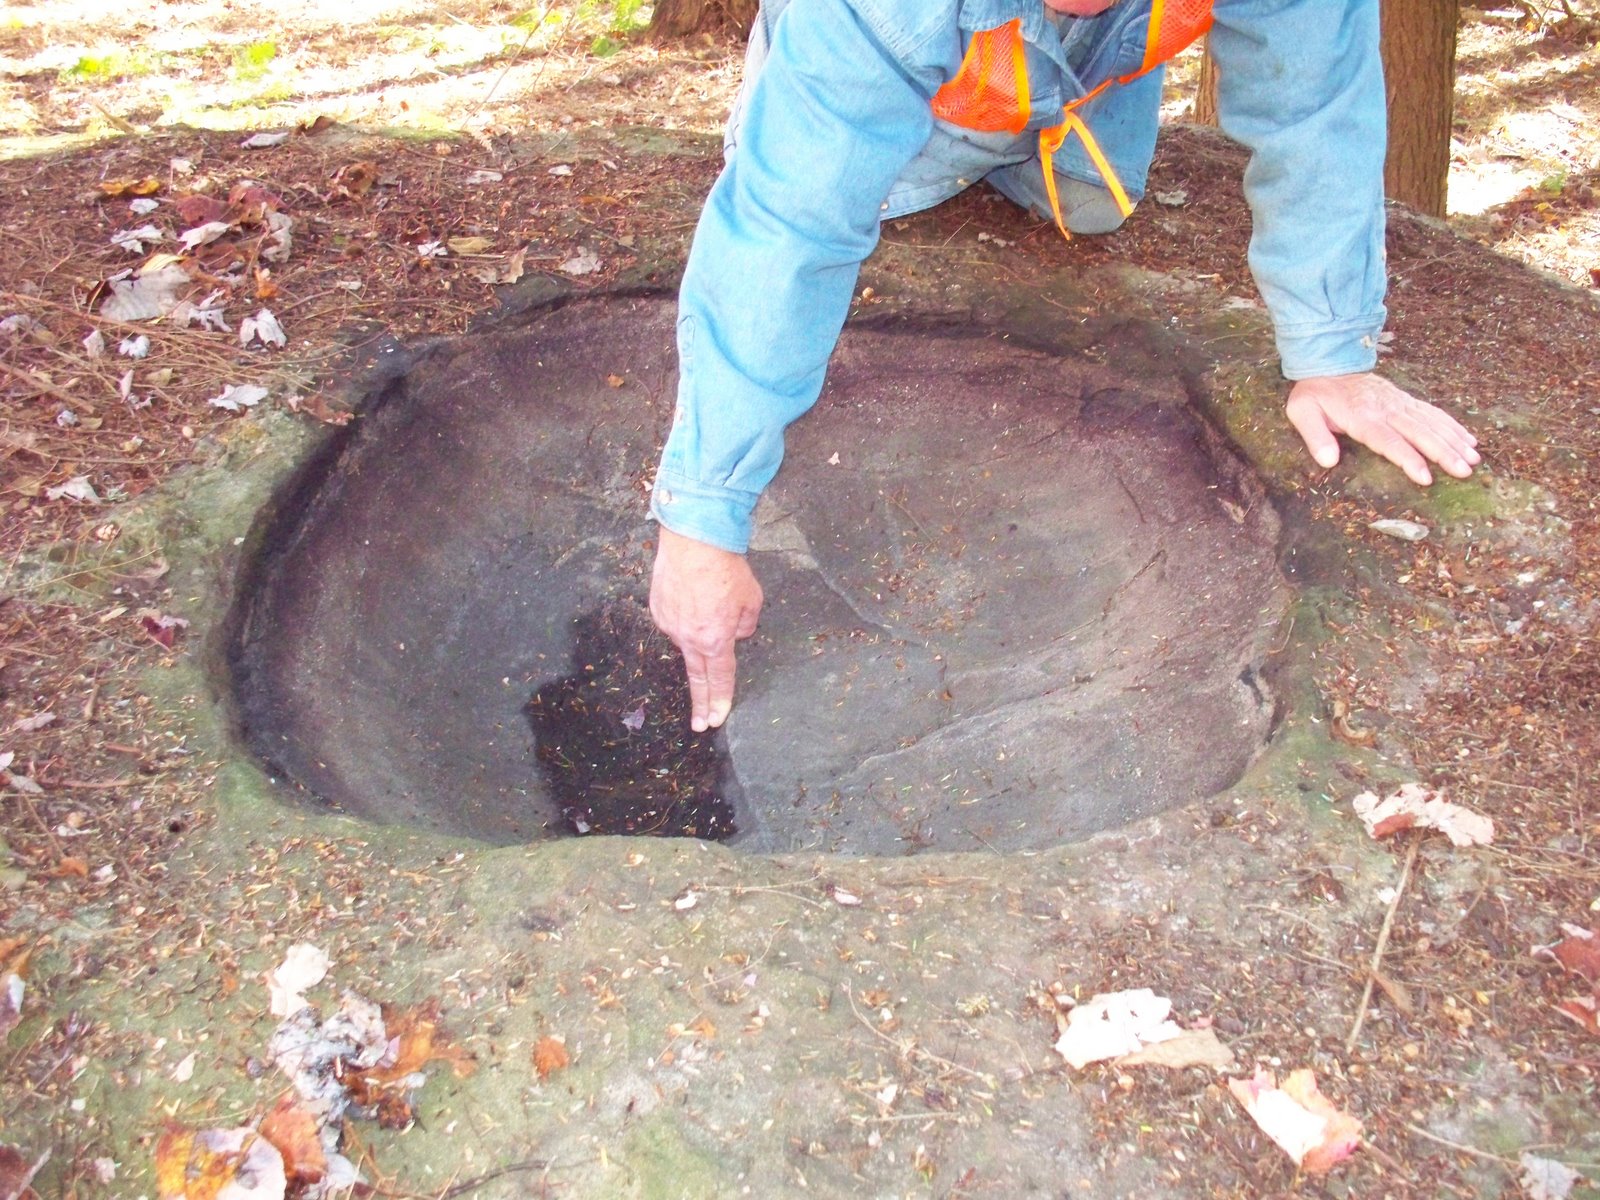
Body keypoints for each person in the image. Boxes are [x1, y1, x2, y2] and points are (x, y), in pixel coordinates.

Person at [647, 0, 1481, 733]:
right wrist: (704, 517)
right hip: (889, 49)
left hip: (1080, 88)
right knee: (884, 183)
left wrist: (1331, 350)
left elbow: (1316, 103)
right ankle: (838, 87)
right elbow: (790, 229)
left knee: (1086, 199)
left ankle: (1019, 124)